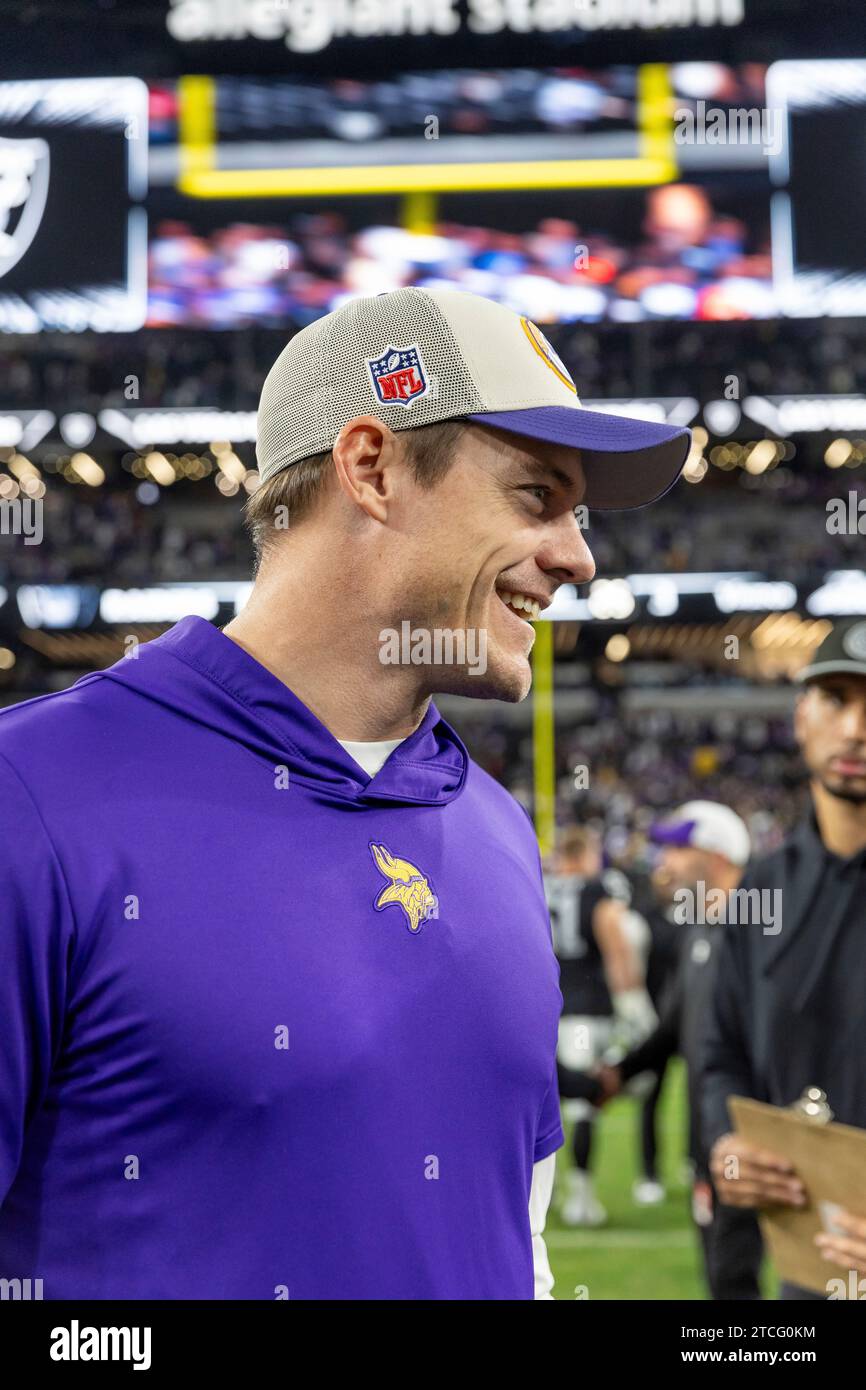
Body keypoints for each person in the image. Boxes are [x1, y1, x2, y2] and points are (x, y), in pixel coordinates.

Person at [0, 286, 689, 1300]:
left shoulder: (495, 833)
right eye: (535, 497)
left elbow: (512, 1239)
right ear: (370, 467)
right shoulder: (33, 797)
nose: (577, 557)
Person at [701, 620, 866, 1300]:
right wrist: (724, 1144)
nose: (856, 729)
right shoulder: (760, 893)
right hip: (810, 1261)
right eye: (835, 698)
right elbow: (719, 1057)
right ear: (802, 716)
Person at [599, 801, 764, 1298]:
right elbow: (674, 1029)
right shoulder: (699, 931)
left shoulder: (765, 931)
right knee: (726, 1282)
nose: (661, 861)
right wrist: (615, 1075)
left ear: (715, 856)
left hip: (763, 1148)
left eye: (676, 847)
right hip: (711, 1148)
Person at [545, 825, 656, 1226]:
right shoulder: (597, 892)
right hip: (588, 1011)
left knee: (548, 1104)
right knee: (584, 1105)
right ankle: (581, 1197)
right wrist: (632, 1002)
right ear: (586, 855)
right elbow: (617, 947)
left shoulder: (540, 888)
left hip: (549, 1010)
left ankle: (548, 1189)